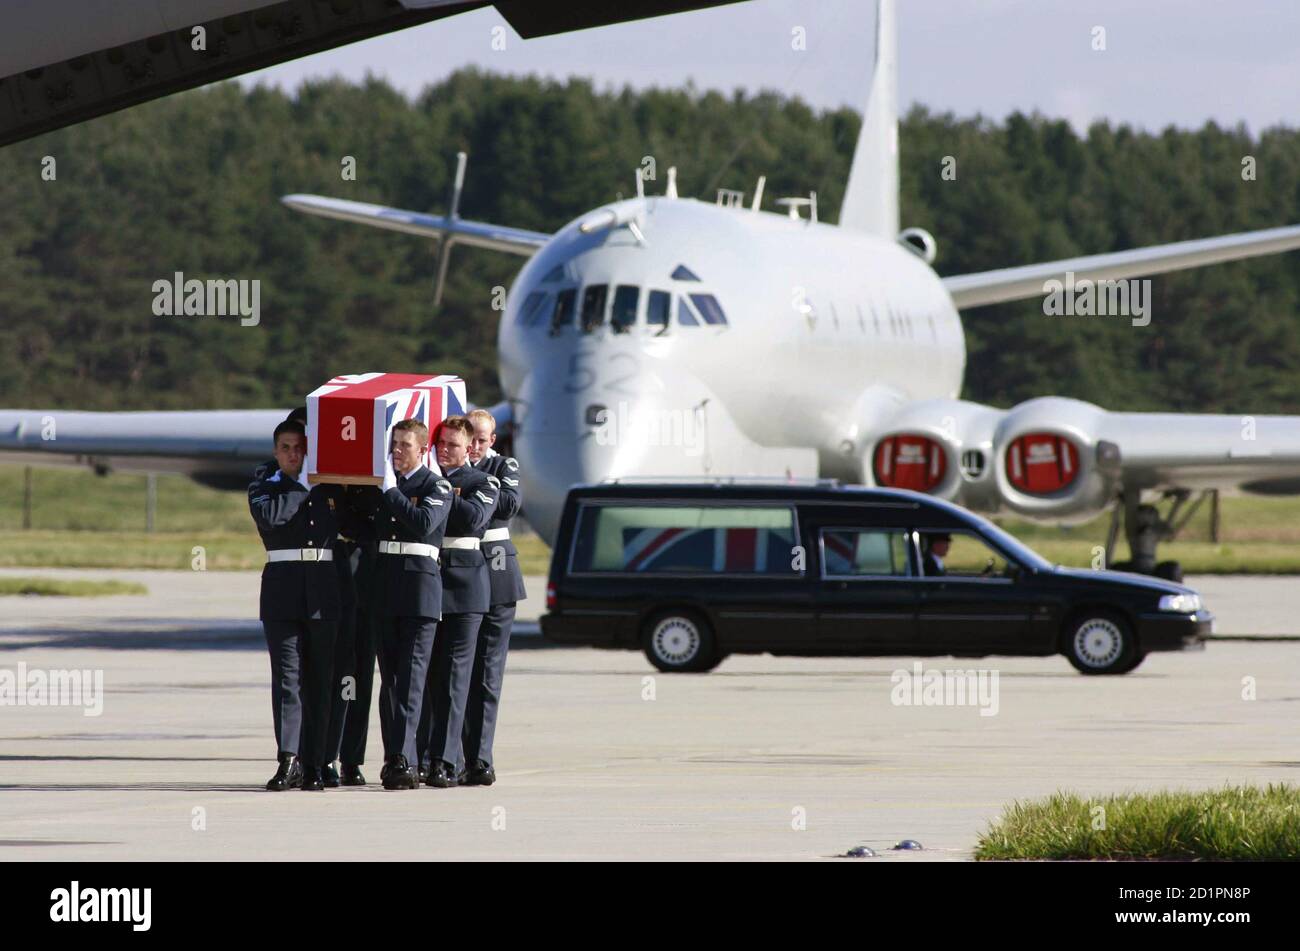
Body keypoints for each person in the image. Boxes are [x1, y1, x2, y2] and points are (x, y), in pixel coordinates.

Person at [247, 419, 342, 791]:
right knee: (287, 680)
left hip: (323, 591)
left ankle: (316, 762)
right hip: (282, 593)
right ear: (275, 452)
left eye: (299, 447)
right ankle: (288, 758)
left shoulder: (328, 485)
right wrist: (304, 485)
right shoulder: (263, 486)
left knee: (320, 681)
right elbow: (272, 517)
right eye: (285, 447)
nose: (292, 454)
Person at [368, 418, 453, 790]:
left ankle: (406, 757)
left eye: (405, 445)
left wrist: (390, 491)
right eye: (394, 444)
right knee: (390, 681)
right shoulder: (386, 487)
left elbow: (422, 523)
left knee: (413, 679)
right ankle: (395, 758)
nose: (397, 451)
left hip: (420, 592)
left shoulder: (438, 486)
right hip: (385, 588)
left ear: (422, 450)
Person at [416, 415, 496, 788]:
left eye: (453, 445)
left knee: (455, 677)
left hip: (465, 588)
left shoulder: (483, 482)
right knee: (426, 675)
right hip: (429, 582)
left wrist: (442, 492)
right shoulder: (425, 481)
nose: (445, 450)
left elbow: (474, 518)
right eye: (441, 444)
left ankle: (446, 760)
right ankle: (420, 756)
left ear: (470, 449)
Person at [461, 408, 526, 786]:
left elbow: (506, 505)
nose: (475, 446)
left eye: (481, 440)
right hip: (462, 568)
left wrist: (465, 485)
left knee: (487, 672)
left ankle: (480, 757)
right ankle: (449, 756)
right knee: (455, 672)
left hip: (497, 568)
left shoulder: (504, 466)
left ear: (492, 440)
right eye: (470, 438)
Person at [321, 487, 378, 786]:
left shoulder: (375, 481)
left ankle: (352, 758)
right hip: (330, 579)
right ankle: (325, 754)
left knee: (360, 675)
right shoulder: (321, 481)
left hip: (367, 579)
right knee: (334, 674)